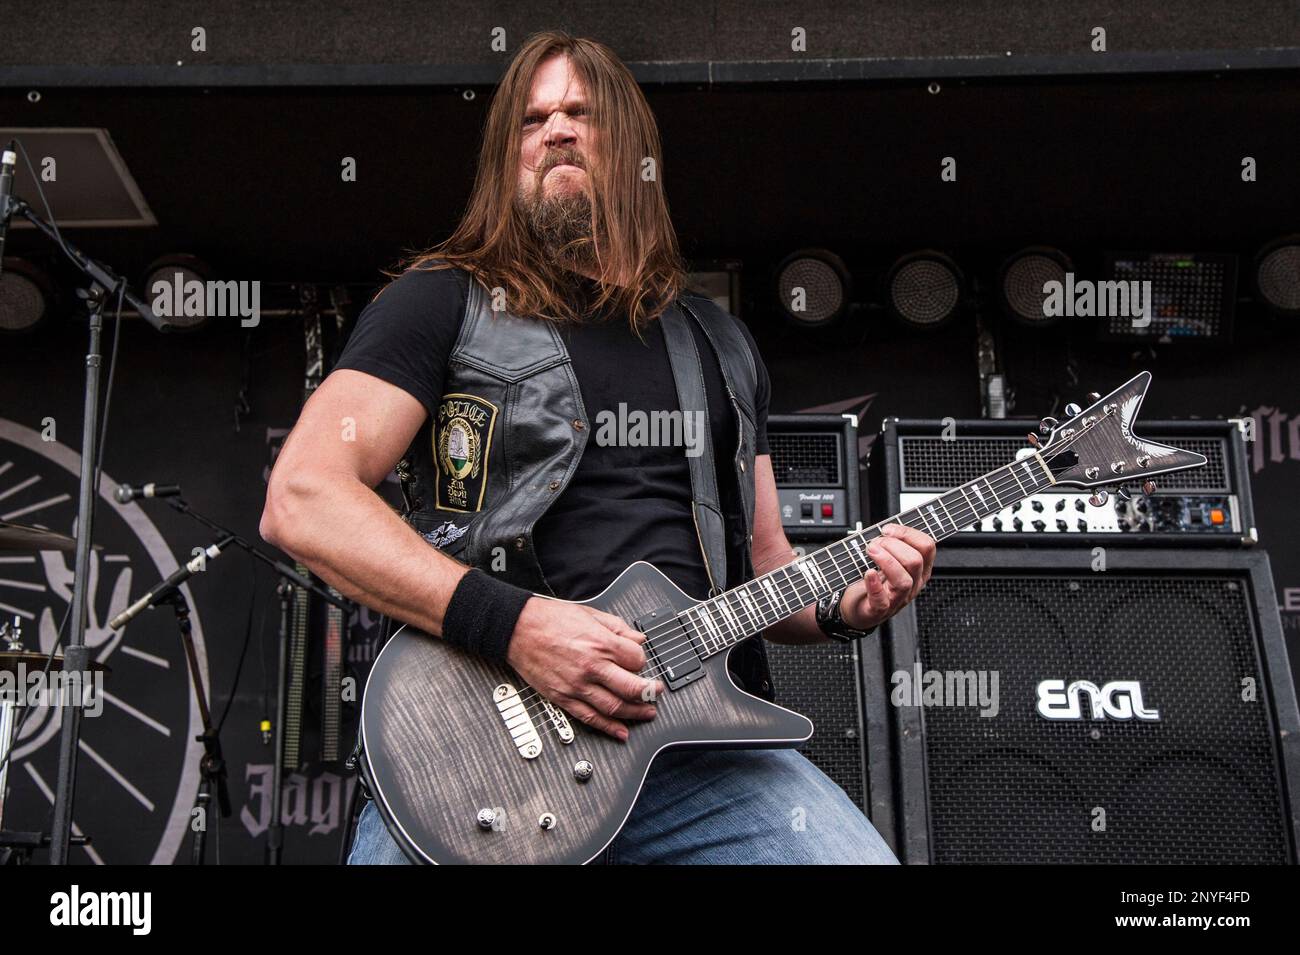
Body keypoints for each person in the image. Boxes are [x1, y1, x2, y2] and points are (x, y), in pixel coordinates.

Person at [260, 30, 935, 865]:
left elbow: (764, 566)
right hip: (483, 753)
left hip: (704, 758)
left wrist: (845, 607)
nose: (557, 131)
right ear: (508, 158)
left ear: (632, 148)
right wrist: (514, 626)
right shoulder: (441, 303)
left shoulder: (719, 344)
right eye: (533, 119)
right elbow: (303, 496)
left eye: (581, 112)